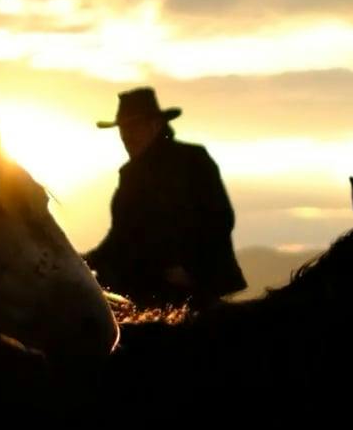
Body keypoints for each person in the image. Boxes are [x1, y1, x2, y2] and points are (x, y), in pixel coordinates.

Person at [86, 87, 246, 310]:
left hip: (186, 287)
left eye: (134, 127)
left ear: (156, 125)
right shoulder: (131, 173)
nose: (126, 136)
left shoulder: (191, 160)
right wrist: (86, 262)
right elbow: (122, 235)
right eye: (123, 129)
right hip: (146, 287)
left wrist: (189, 268)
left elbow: (218, 218)